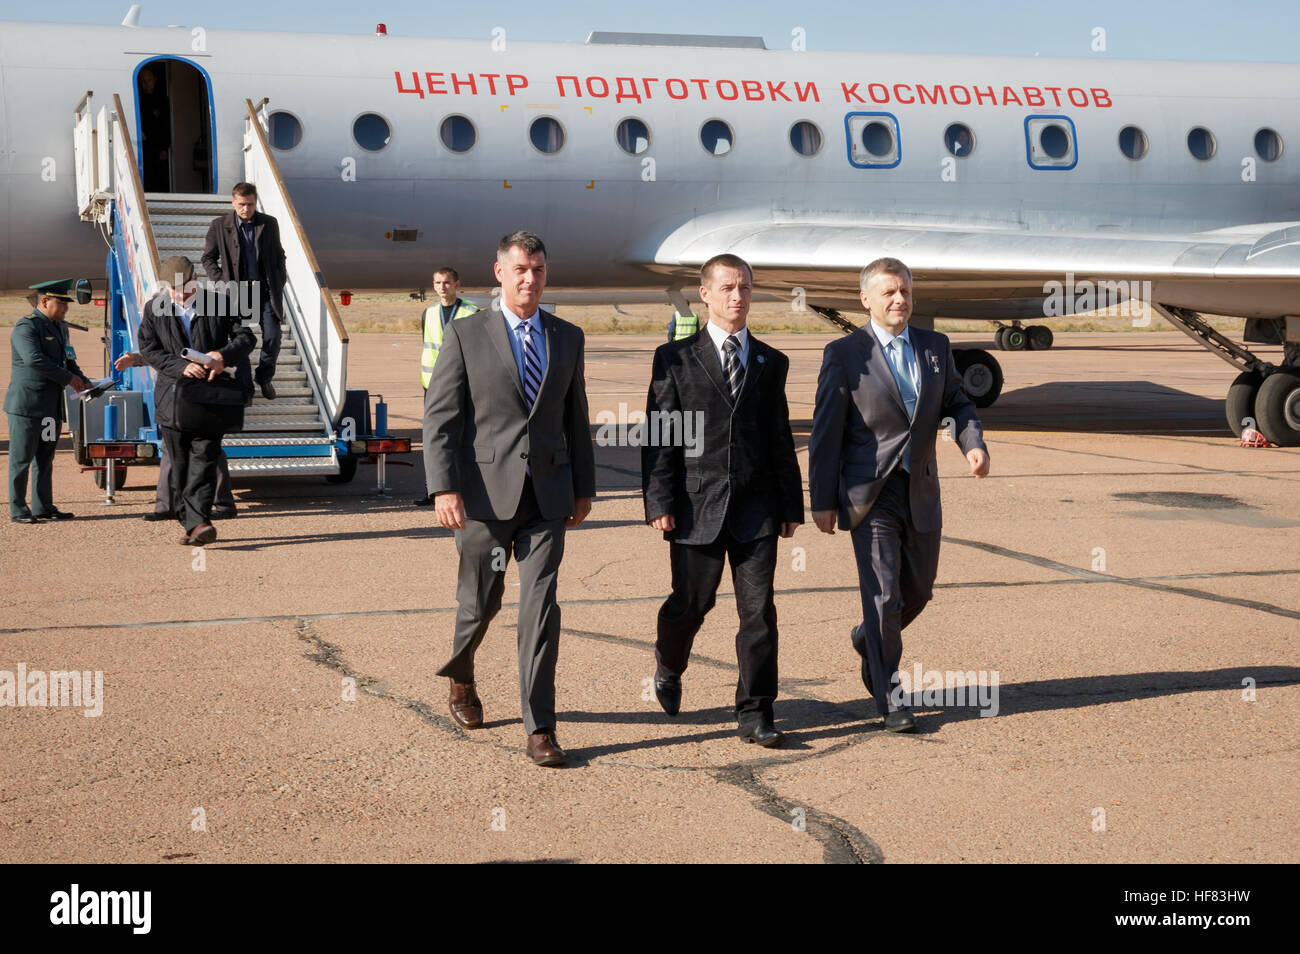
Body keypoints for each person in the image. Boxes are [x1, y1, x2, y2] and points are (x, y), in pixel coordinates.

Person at [423, 231, 596, 767]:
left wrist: (585, 487)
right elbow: (442, 418)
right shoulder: (466, 335)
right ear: (499, 273)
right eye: (520, 269)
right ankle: (462, 674)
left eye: (539, 270)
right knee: (480, 605)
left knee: (539, 609)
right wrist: (443, 486)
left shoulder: (567, 337)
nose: (530, 279)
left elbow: (575, 417)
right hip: (482, 496)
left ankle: (540, 727)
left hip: (547, 497)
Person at [808, 257, 989, 733]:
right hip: (871, 493)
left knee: (919, 592)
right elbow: (826, 432)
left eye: (905, 291)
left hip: (921, 488)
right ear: (865, 299)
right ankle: (890, 697)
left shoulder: (935, 346)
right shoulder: (845, 354)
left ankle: (868, 636)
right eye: (888, 292)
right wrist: (822, 499)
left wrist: (972, 444)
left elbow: (957, 402)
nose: (899, 300)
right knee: (885, 595)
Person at [642, 254, 804, 747]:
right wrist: (659, 501)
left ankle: (756, 710)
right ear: (705, 295)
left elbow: (780, 436)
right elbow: (661, 435)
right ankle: (669, 665)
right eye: (729, 288)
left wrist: (790, 505)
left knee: (758, 613)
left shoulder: (771, 361)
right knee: (691, 604)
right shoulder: (674, 359)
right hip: (695, 506)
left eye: (746, 288)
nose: (738, 297)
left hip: (757, 508)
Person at [138, 256, 255, 546]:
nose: (182, 294)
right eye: (175, 289)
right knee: (179, 465)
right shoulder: (154, 309)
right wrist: (180, 367)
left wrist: (222, 356)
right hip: (173, 399)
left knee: (204, 460)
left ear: (196, 279)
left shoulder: (220, 302)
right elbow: (149, 349)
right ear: (166, 287)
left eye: (187, 286)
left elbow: (246, 338)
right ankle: (191, 522)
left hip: (210, 398)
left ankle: (200, 522)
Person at [114, 350, 239, 520]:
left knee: (209, 449)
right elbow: (164, 353)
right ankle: (166, 508)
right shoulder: (168, 326)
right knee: (170, 451)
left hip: (202, 393)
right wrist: (135, 359)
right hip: (173, 399)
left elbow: (182, 352)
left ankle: (224, 505)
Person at [5, 280, 91, 523]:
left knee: (45, 459)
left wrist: (84, 380)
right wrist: (69, 378)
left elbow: (68, 360)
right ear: (44, 301)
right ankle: (18, 509)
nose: (65, 309)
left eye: (66, 304)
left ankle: (43, 506)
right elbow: (34, 360)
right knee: (21, 460)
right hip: (27, 408)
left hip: (51, 409)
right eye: (61, 303)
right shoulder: (26, 327)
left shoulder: (60, 328)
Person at [201, 181, 287, 401]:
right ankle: (246, 389)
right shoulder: (219, 225)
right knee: (243, 342)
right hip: (236, 295)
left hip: (264, 292)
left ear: (255, 202)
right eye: (241, 204)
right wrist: (222, 282)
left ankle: (264, 377)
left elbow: (279, 256)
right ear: (233, 202)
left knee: (273, 337)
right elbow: (208, 258)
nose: (246, 209)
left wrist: (279, 280)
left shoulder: (269, 224)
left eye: (249, 204)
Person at [415, 266, 478, 506]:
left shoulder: (471, 312)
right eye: (438, 283)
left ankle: (464, 487)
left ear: (457, 284)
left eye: (447, 283)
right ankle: (433, 489)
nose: (443, 287)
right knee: (435, 438)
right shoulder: (428, 313)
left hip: (462, 384)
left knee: (463, 436)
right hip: (432, 385)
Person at [137, 66, 171, 192]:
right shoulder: (138, 100)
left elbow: (166, 124)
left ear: (155, 80)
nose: (147, 84)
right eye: (144, 81)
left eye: (149, 80)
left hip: (159, 145)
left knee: (160, 175)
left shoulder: (163, 100)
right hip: (144, 145)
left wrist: (164, 147)